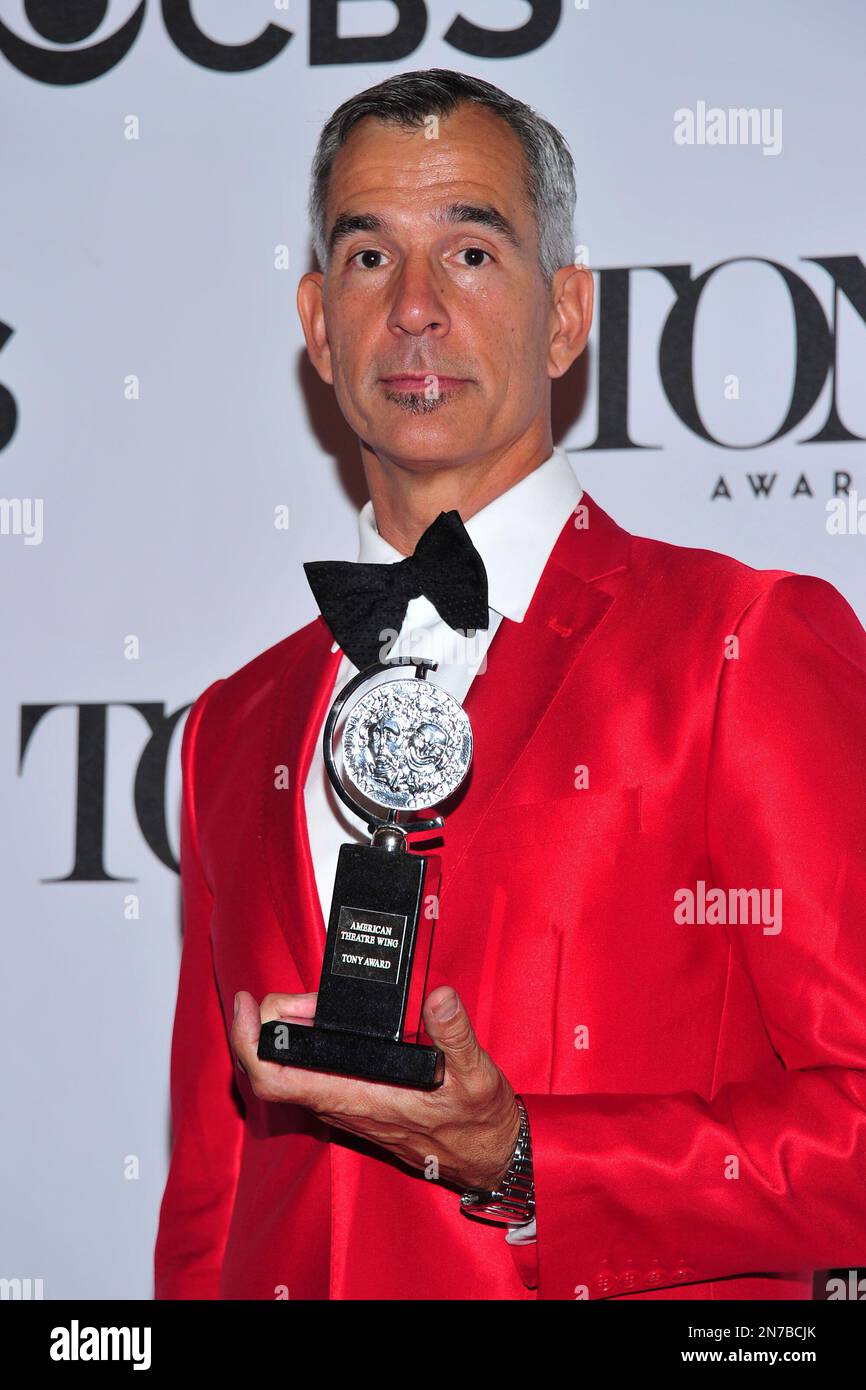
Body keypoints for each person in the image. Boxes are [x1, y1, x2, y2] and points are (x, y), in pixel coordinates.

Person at [154, 68, 866, 1301]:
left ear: (566, 316)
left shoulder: (736, 644)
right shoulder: (233, 724)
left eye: (472, 251)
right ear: (319, 323)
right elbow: (213, 1198)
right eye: (370, 257)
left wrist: (528, 1158)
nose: (416, 309)